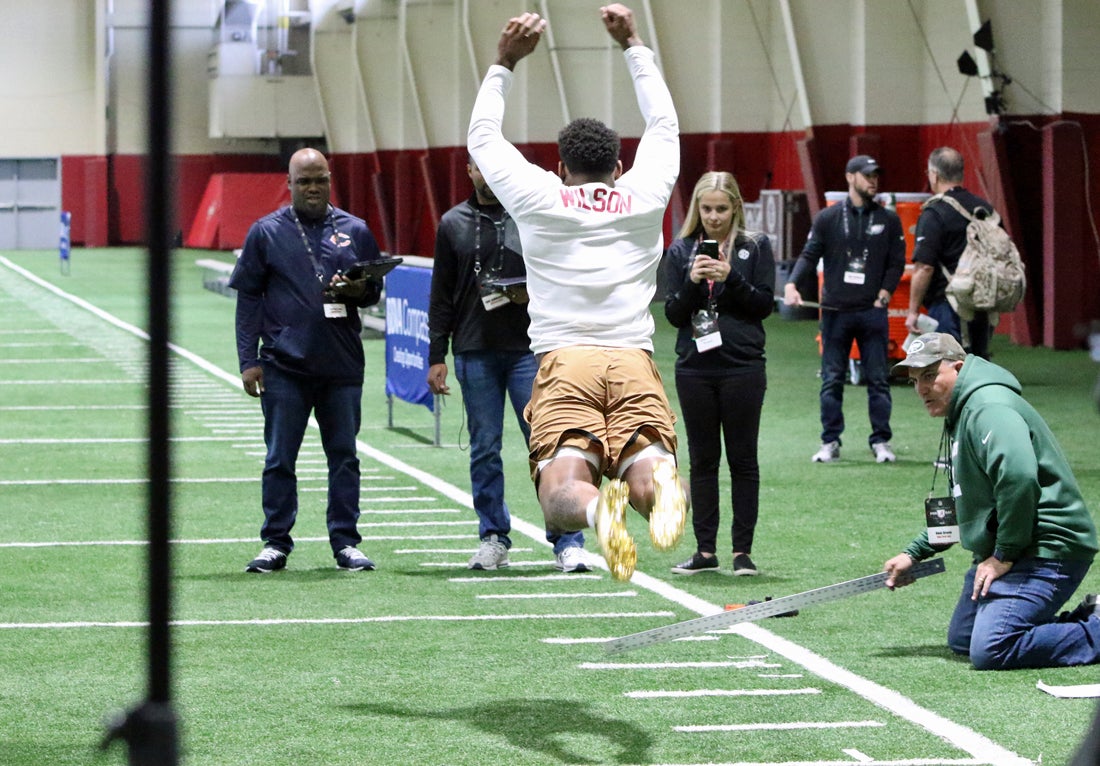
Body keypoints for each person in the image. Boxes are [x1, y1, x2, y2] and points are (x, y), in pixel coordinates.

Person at [467, 4, 687, 582]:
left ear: (561, 166)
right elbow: (665, 126)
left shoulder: (541, 198)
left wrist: (504, 62)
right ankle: (661, 498)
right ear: (619, 164)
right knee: (648, 470)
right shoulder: (644, 195)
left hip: (566, 361)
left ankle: (596, 509)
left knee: (560, 487)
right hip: (633, 358)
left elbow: (482, 137)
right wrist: (632, 43)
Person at [884, 332, 1100, 670]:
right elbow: (968, 502)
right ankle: (1091, 613)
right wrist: (915, 552)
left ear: (958, 368)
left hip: (1048, 548)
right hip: (1019, 547)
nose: (921, 389)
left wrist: (1003, 555)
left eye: (929, 376)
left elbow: (1018, 478)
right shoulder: (963, 412)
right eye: (915, 380)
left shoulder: (988, 407)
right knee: (964, 640)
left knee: (993, 648)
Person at [427, 156, 590, 573]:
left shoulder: (533, 216)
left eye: (493, 167)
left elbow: (562, 278)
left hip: (529, 350)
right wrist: (435, 355)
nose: (487, 174)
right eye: (480, 167)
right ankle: (493, 537)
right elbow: (440, 295)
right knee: (485, 449)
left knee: (548, 446)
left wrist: (530, 297)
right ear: (468, 171)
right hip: (473, 350)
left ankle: (567, 540)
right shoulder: (452, 224)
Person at [230, 148, 383, 574]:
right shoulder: (266, 232)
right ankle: (275, 542)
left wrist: (357, 292)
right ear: (289, 183)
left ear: (330, 180)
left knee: (345, 457)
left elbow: (372, 292)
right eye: (304, 182)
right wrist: (248, 360)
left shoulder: (356, 230)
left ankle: (346, 542)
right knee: (280, 458)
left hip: (342, 365)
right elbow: (248, 300)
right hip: (283, 366)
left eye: (320, 180)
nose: (313, 188)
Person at [663, 171, 774, 576]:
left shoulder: (754, 247)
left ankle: (742, 552)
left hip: (743, 367)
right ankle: (705, 551)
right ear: (697, 209)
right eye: (707, 209)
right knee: (703, 461)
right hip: (695, 368)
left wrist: (732, 279)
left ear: (735, 209)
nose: (713, 217)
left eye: (721, 209)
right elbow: (674, 314)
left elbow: (764, 306)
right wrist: (693, 283)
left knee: (744, 460)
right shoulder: (679, 252)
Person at [783, 154, 906, 464]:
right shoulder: (828, 218)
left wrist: (885, 292)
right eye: (867, 175)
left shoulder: (888, 219)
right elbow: (809, 255)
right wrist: (792, 284)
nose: (874, 181)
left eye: (876, 175)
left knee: (878, 379)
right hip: (835, 311)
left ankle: (881, 441)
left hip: (872, 311)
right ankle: (830, 441)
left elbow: (897, 261)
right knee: (831, 380)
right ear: (850, 177)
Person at [905, 146, 994, 360]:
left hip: (949, 304)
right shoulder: (985, 209)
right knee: (977, 364)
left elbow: (924, 267)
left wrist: (913, 311)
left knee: (948, 368)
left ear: (934, 175)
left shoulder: (934, 212)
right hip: (985, 303)